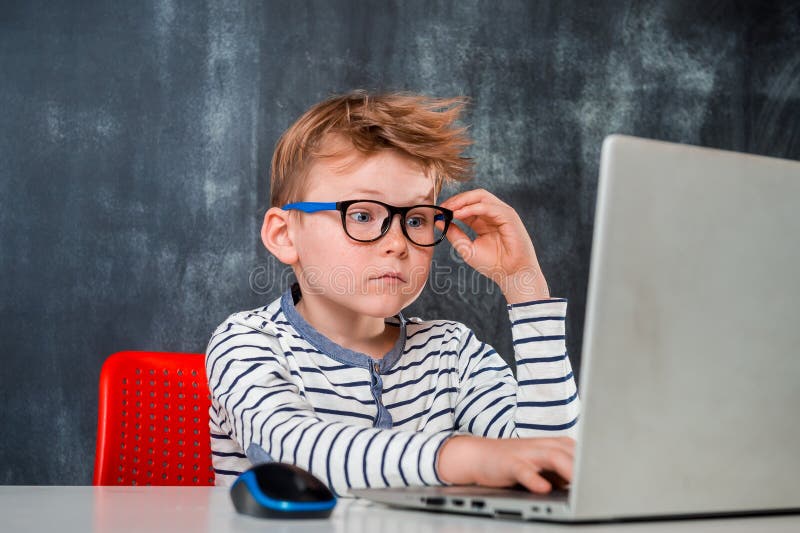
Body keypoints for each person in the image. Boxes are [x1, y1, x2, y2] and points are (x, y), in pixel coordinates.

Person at [205, 90, 580, 497]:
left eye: (416, 219)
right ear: (284, 235)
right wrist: (463, 458)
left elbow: (555, 464)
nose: (398, 243)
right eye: (363, 214)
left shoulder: (453, 353)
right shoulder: (246, 343)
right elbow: (296, 457)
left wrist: (526, 290)